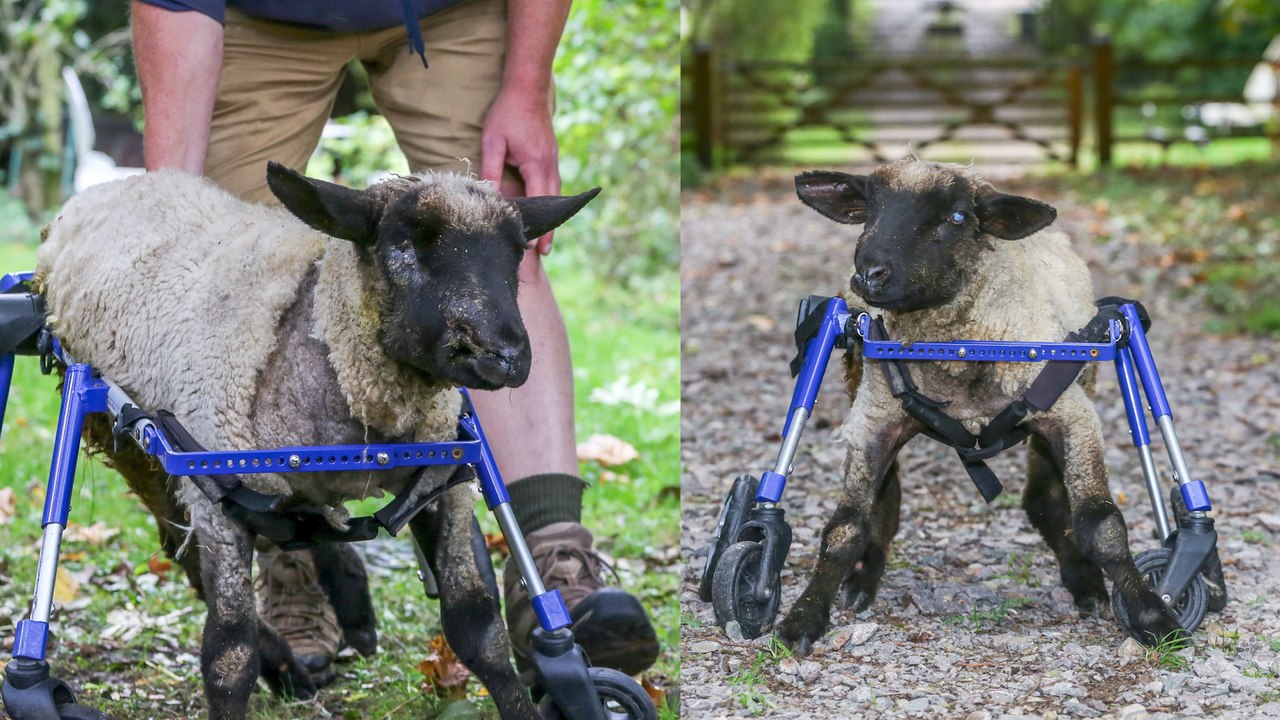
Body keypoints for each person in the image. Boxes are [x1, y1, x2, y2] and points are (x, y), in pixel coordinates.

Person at [130, 0, 658, 686]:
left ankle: (553, 565)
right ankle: (290, 556)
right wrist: (173, 202)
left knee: (496, 235)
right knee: (226, 272)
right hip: (258, 18)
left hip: (452, 10)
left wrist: (525, 89)